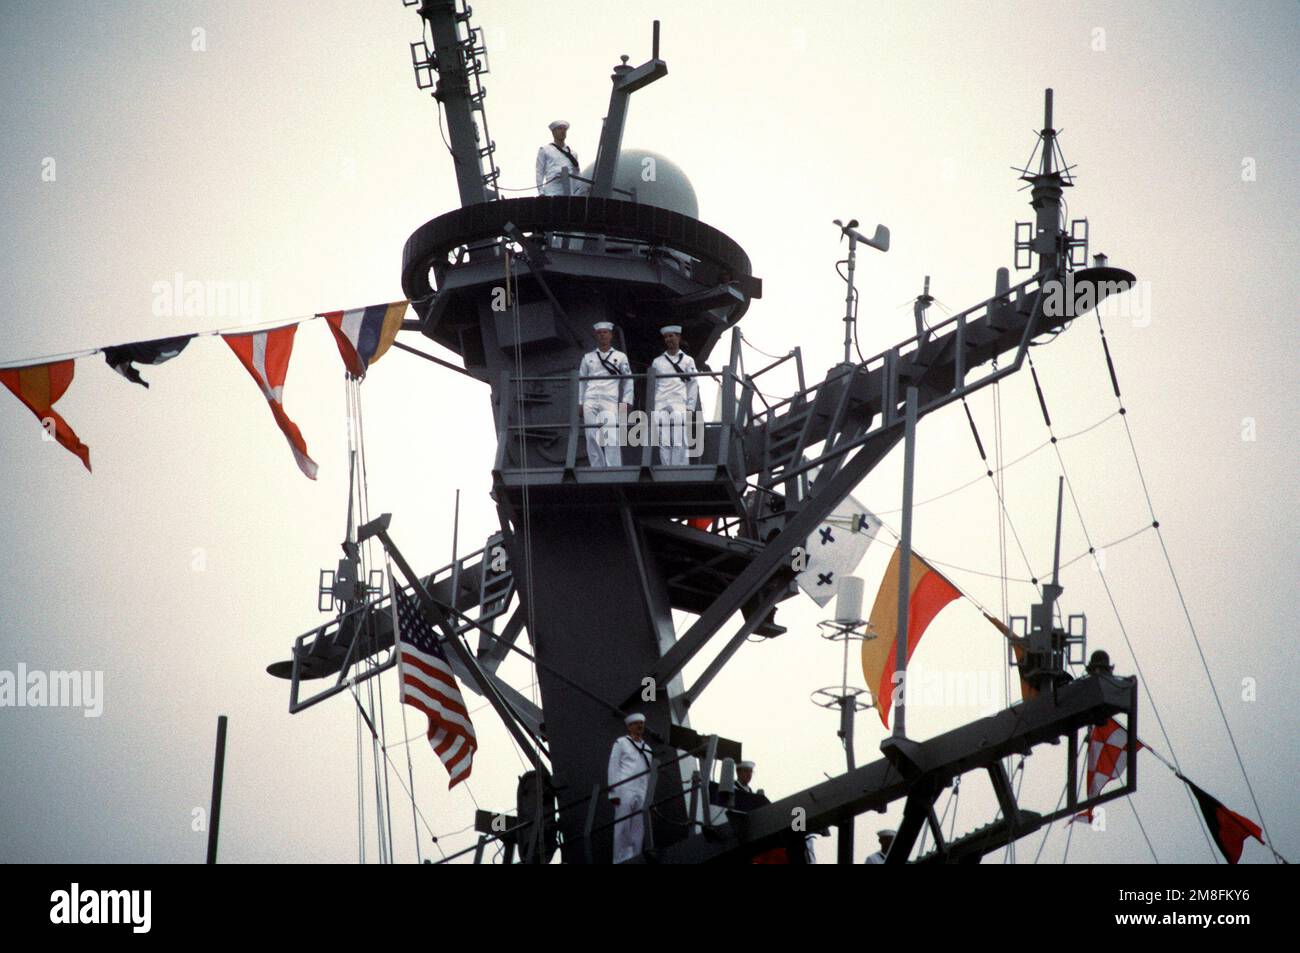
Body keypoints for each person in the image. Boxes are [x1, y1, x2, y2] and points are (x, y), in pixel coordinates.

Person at [577, 322, 632, 466]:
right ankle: (597, 466)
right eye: (600, 333)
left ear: (611, 335)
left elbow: (628, 380)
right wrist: (580, 402)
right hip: (590, 398)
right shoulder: (588, 357)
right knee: (590, 435)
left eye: (605, 332)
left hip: (609, 398)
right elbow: (582, 381)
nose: (602, 335)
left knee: (611, 434)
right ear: (596, 336)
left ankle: (614, 467)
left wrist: (626, 401)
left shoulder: (620, 357)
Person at [649, 325, 699, 465]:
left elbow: (693, 384)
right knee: (664, 439)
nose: (669, 339)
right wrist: (653, 407)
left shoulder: (688, 361)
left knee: (679, 438)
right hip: (661, 402)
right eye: (666, 337)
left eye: (671, 336)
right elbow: (654, 386)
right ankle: (666, 467)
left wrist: (690, 407)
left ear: (678, 337)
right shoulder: (658, 362)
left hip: (678, 402)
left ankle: (679, 467)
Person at [608, 713, 653, 863]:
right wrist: (613, 792)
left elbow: (648, 772)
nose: (640, 726)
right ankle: (620, 859)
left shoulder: (647, 749)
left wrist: (648, 794)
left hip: (641, 789)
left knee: (638, 827)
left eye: (641, 723)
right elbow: (613, 767)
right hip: (625, 788)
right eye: (636, 723)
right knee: (623, 826)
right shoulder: (621, 743)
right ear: (629, 727)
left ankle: (634, 857)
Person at [535, 120, 586, 196]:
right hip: (552, 191)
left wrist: (577, 193)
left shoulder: (572, 154)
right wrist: (541, 191)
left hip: (568, 192)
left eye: (564, 129)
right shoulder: (545, 150)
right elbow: (539, 172)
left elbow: (576, 174)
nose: (563, 131)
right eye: (559, 129)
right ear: (553, 132)